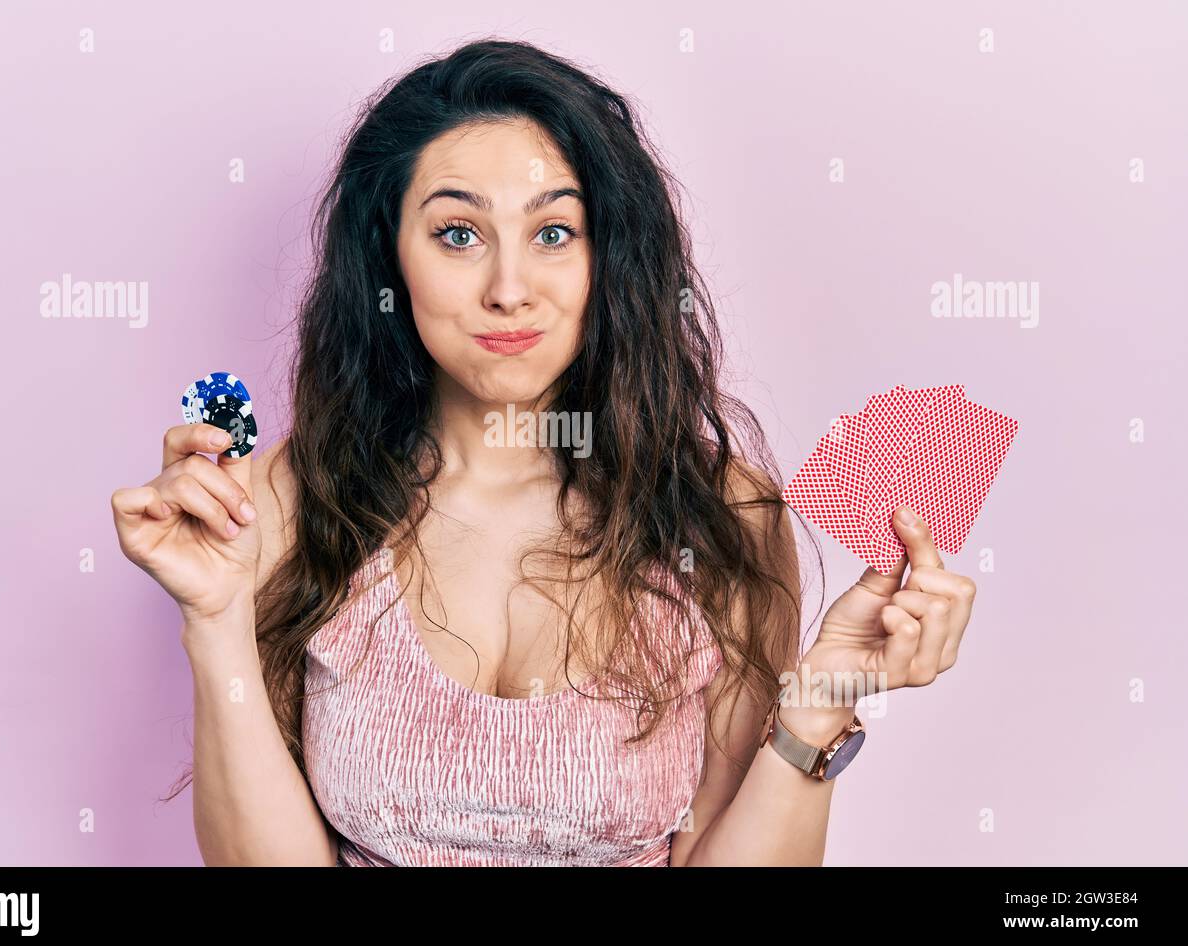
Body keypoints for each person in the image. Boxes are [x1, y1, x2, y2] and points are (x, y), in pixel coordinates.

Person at [111, 39, 978, 866]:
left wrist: (825, 694)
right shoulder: (289, 498)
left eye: (554, 233)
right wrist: (215, 621)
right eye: (458, 234)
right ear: (389, 259)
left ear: (610, 258)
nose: (510, 289)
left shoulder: (724, 517)